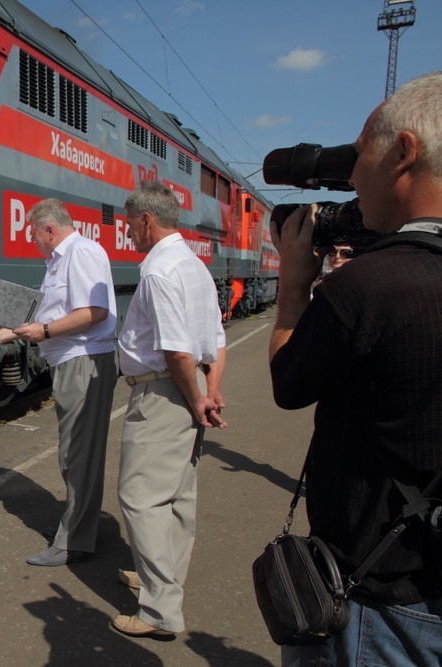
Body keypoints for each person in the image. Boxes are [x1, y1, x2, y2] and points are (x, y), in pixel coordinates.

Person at [269, 71, 442, 665]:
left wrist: (294, 289)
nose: (351, 178)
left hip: (380, 595)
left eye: (359, 155)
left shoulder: (372, 285)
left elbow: (290, 384)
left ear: (403, 153)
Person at [112, 180, 227, 639]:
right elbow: (215, 339)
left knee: (139, 497)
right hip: (191, 384)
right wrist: (209, 391)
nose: (128, 234)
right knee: (177, 496)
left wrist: (194, 395)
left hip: (164, 391)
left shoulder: (158, 271)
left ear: (146, 220)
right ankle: (164, 578)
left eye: (129, 225)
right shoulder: (195, 266)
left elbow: (177, 350)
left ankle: (159, 610)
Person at [0, 197, 118, 567]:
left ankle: (74, 542)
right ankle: (82, 530)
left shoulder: (81, 253)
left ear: (49, 229)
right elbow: (49, 312)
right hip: (70, 361)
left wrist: (45, 330)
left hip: (82, 361)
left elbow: (94, 312)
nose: (31, 240)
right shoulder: (59, 262)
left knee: (77, 455)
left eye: (33, 233)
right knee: (74, 455)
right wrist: (4, 334)